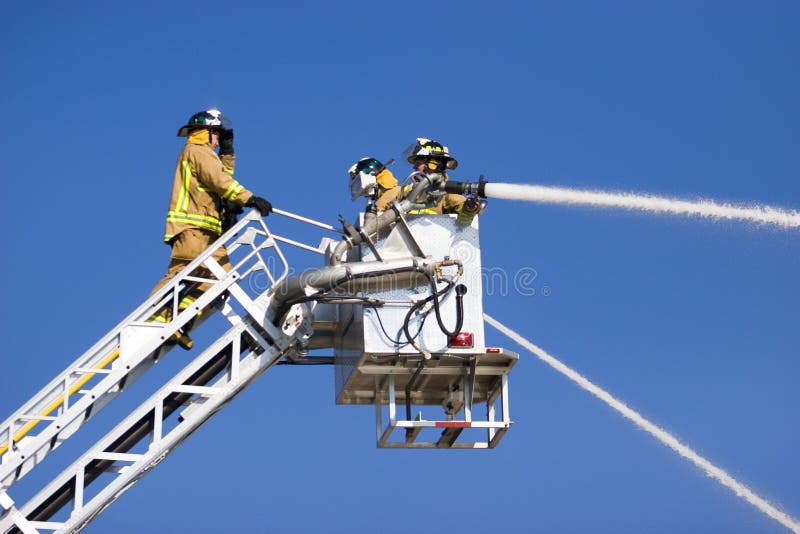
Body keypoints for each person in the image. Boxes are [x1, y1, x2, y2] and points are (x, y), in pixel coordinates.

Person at [149, 109, 273, 349]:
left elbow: (220, 177)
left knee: (221, 278)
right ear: (206, 133)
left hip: (207, 232)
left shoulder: (205, 154)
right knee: (182, 274)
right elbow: (219, 181)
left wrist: (228, 154)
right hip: (193, 228)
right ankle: (157, 318)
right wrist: (249, 198)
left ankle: (179, 320)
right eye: (218, 136)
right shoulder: (196, 151)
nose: (218, 141)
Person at [374, 138, 481, 223]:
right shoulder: (403, 190)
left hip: (429, 243)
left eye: (417, 164)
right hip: (399, 242)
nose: (414, 168)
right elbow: (377, 211)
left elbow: (463, 215)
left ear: (432, 164)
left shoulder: (444, 193)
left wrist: (469, 207)